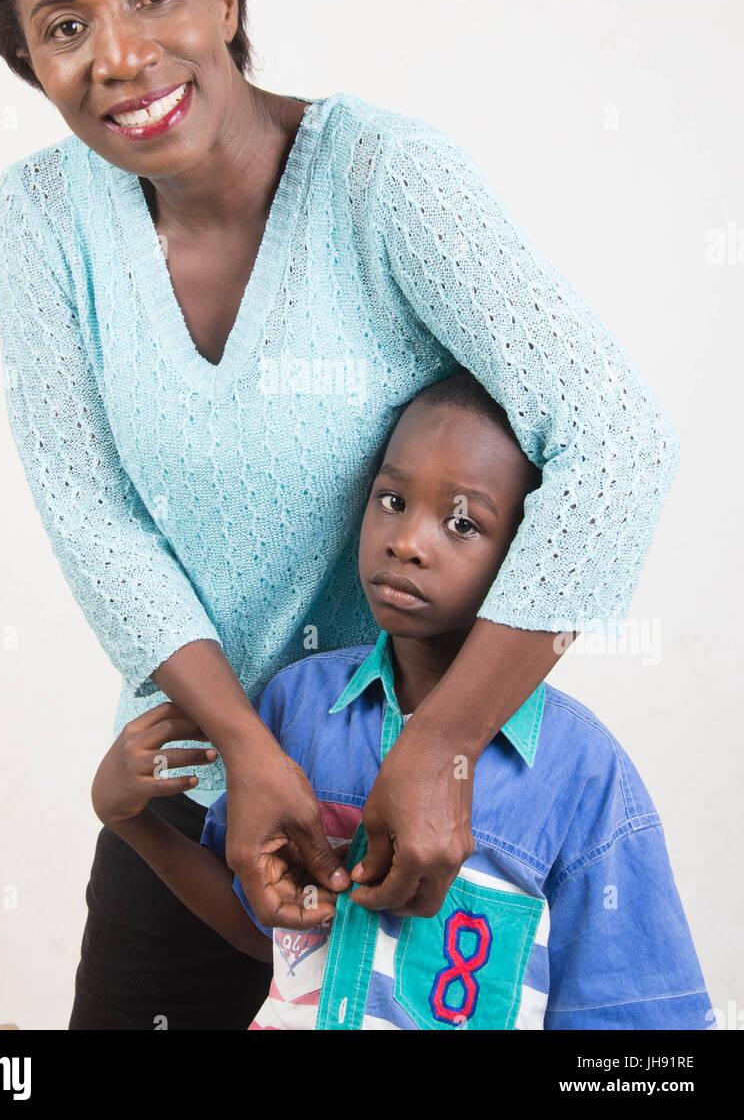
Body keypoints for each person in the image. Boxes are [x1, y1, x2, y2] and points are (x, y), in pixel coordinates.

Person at [0, 0, 682, 1029]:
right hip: (195, 795)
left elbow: (616, 442)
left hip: (406, 806)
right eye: (64, 23)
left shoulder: (386, 185)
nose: (120, 54)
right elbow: (93, 512)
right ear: (29, 62)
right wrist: (241, 744)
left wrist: (446, 740)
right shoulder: (39, 219)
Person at [91, 371, 710, 1030]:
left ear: (529, 558)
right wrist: (130, 820)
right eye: (392, 500)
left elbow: (643, 1025)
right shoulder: (297, 705)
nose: (408, 541)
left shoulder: (582, 774)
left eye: (463, 522)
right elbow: (270, 932)